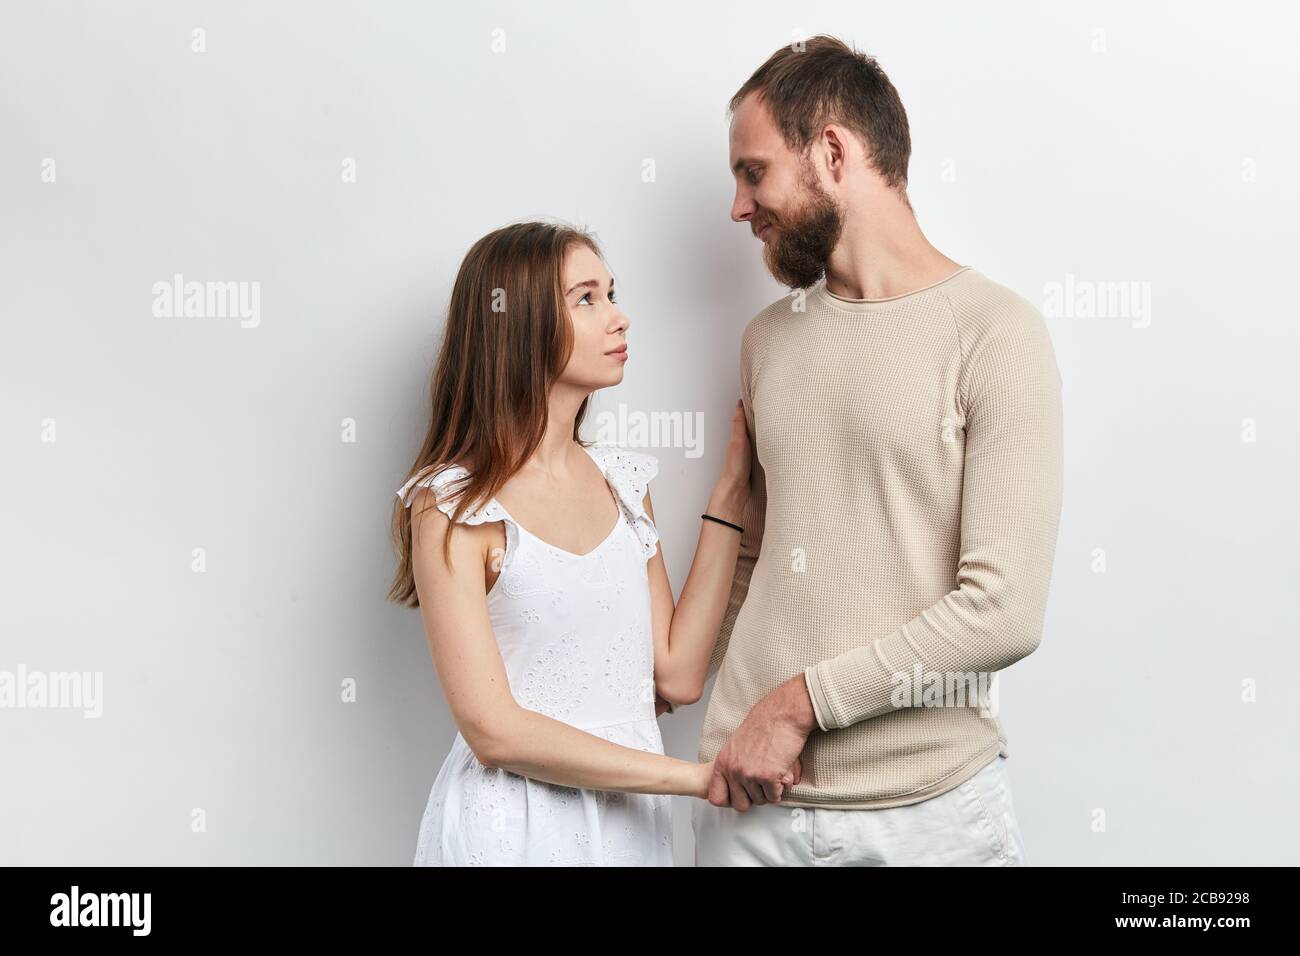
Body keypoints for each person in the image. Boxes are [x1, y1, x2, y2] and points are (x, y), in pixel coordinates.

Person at [692, 35, 1065, 866]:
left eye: (753, 172)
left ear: (832, 151)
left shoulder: (996, 334)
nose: (738, 206)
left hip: (931, 817)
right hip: (750, 806)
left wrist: (796, 708)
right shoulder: (767, 341)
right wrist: (700, 699)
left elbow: (1002, 610)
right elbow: (756, 556)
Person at [387, 220, 777, 865]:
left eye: (612, 293)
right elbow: (494, 731)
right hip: (513, 829)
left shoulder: (622, 481)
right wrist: (695, 778)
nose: (619, 318)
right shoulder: (452, 504)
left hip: (626, 824)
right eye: (586, 298)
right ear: (518, 324)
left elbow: (677, 673)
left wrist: (730, 498)